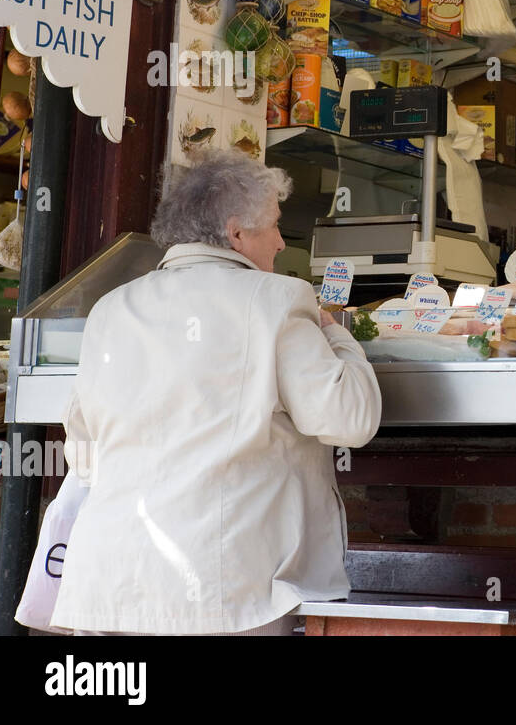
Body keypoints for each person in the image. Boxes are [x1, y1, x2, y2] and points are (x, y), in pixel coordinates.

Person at [51, 152, 381, 635]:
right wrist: (336, 334)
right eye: (273, 225)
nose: (280, 241)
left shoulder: (110, 308)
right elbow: (350, 417)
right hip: (223, 592)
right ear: (236, 233)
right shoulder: (279, 298)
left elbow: (83, 452)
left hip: (112, 581)